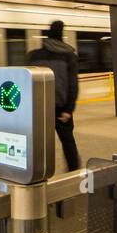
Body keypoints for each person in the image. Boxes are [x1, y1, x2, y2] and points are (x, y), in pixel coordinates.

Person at [27, 20, 80, 171]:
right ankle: (74, 173)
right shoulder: (69, 56)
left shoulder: (33, 55)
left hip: (38, 108)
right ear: (61, 35)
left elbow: (26, 81)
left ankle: (37, 173)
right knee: (68, 142)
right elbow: (73, 86)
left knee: (39, 143)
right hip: (60, 109)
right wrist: (68, 110)